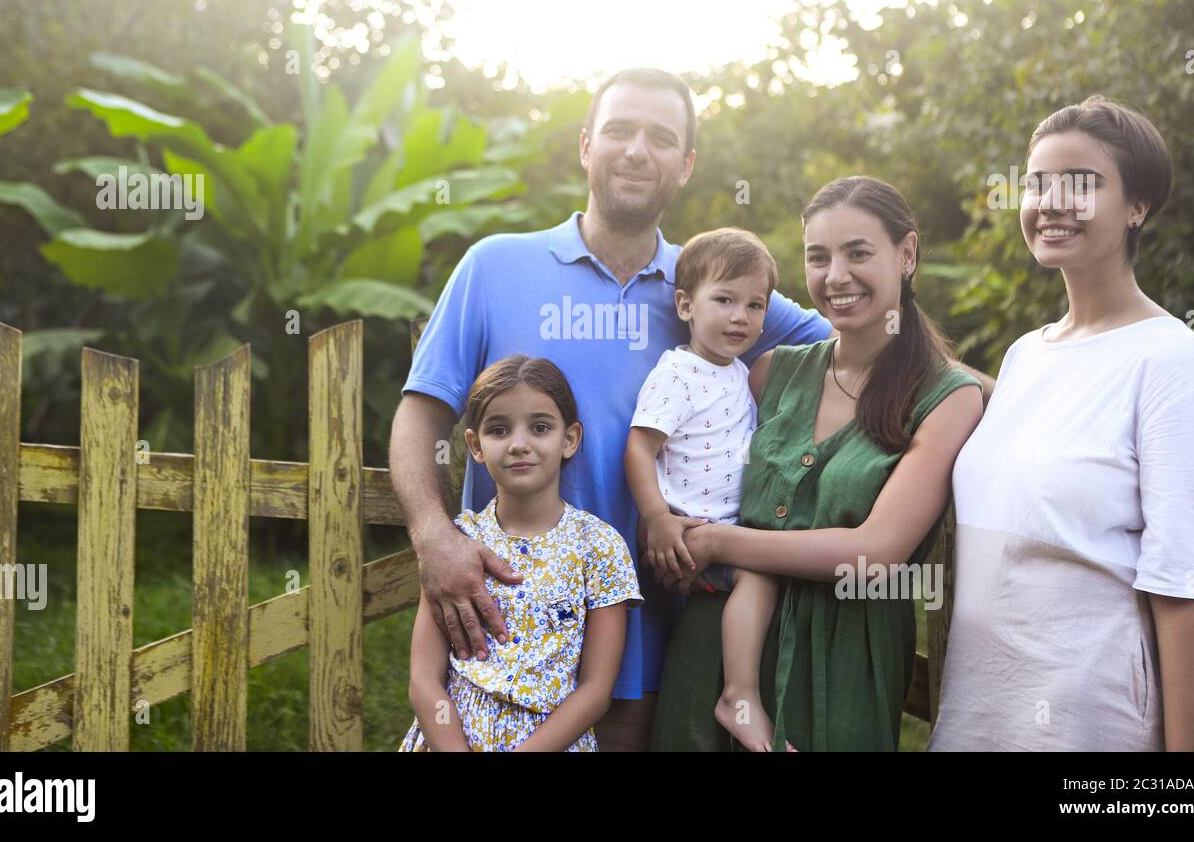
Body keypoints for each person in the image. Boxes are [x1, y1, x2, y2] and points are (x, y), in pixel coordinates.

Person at [389, 68, 836, 751]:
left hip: (667, 628)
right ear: (585, 145)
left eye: (662, 138)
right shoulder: (493, 267)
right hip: (512, 635)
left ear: (685, 165)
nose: (637, 150)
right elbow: (419, 414)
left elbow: (854, 343)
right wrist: (432, 534)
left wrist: (998, 381)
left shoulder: (715, 282)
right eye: (620, 129)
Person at [928, 95, 1194, 751]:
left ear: (1136, 207)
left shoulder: (1173, 360)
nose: (1052, 201)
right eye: (1037, 183)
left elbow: (1179, 588)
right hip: (976, 718)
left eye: (1082, 183)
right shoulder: (1027, 355)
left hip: (1089, 726)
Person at [652, 175, 985, 752]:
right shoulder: (769, 373)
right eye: (818, 257)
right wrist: (668, 529)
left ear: (906, 255)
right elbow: (690, 464)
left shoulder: (947, 396)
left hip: (845, 662)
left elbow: (876, 554)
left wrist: (719, 544)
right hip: (717, 648)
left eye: (858, 253)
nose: (836, 276)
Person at [401, 355, 641, 751]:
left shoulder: (599, 547)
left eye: (540, 427)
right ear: (475, 445)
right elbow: (423, 680)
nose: (518, 444)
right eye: (499, 429)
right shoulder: (456, 543)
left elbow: (596, 690)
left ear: (569, 439)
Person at [624, 227, 783, 750]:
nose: (741, 316)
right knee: (759, 575)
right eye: (725, 300)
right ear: (686, 305)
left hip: (723, 528)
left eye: (755, 305)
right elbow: (638, 448)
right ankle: (739, 697)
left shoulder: (739, 373)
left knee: (763, 574)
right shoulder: (679, 372)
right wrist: (659, 518)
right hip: (689, 528)